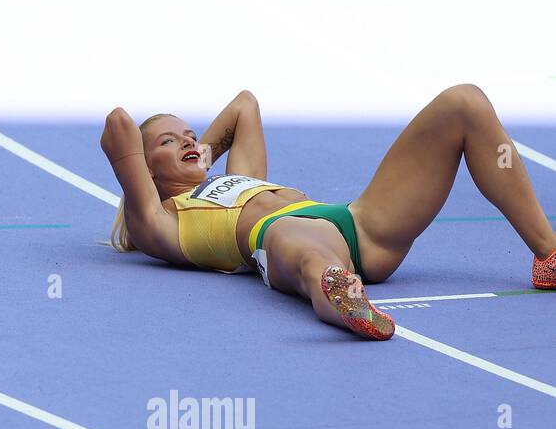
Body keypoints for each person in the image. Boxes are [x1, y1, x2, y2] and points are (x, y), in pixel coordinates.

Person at [100, 87, 556, 340]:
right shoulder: (162, 222)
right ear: (145, 169)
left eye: (189, 134)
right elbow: (119, 125)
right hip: (277, 238)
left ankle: (547, 254)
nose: (184, 140)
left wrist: (203, 152)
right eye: (167, 141)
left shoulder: (239, 176)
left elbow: (245, 104)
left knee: (464, 103)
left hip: (358, 222)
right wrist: (157, 164)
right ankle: (344, 301)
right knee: (305, 251)